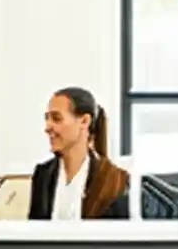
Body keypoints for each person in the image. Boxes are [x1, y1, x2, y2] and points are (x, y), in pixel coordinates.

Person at [28, 86, 130, 220]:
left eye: (56, 118)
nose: (47, 127)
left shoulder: (114, 180)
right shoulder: (43, 175)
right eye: (47, 118)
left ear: (84, 121)